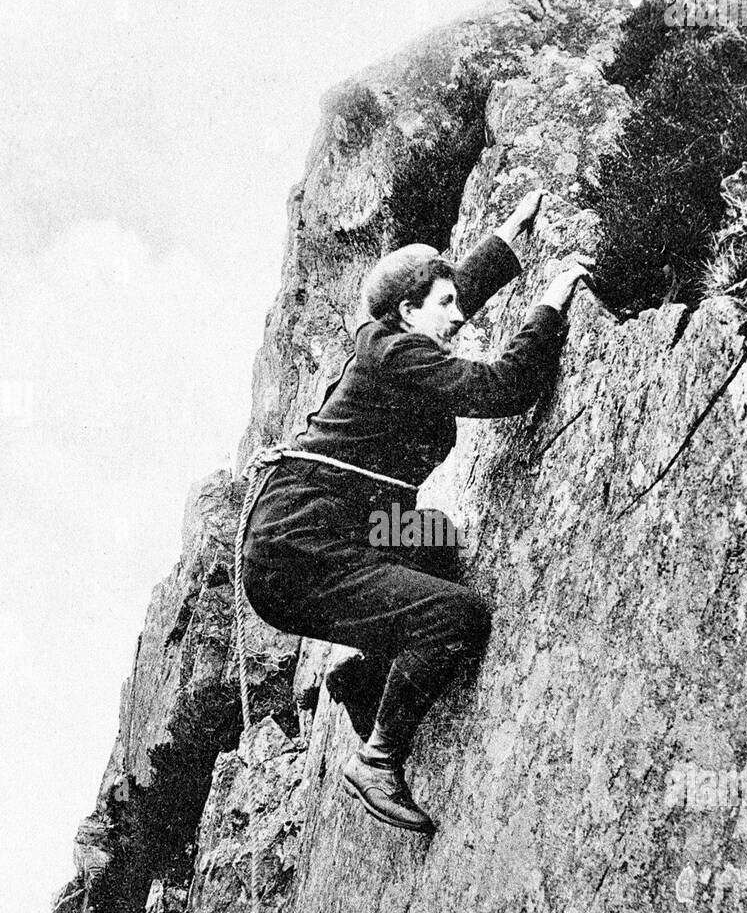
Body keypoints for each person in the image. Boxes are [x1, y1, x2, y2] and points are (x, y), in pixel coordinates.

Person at [242, 188, 589, 835]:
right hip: (299, 553)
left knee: (433, 539)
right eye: (445, 304)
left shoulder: (393, 341)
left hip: (334, 527)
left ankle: (365, 680)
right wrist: (549, 306)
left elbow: (449, 295)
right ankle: (379, 759)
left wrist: (508, 235)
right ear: (407, 312)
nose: (460, 315)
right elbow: (503, 388)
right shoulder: (400, 353)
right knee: (454, 615)